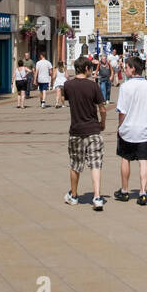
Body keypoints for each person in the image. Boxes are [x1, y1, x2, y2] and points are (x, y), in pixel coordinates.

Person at [62, 55, 107, 210]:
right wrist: (103, 122)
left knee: (75, 164)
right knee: (95, 164)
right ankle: (97, 197)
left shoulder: (68, 85)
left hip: (76, 130)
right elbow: (102, 107)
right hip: (93, 129)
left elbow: (63, 100)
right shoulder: (93, 86)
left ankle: (74, 196)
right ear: (87, 68)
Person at [114, 56, 147, 206]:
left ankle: (125, 190)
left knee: (125, 158)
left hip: (128, 128)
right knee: (143, 160)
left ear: (133, 68)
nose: (125, 70)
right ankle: (143, 191)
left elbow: (122, 111)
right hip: (143, 128)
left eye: (126, 67)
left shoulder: (125, 87)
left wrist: (120, 126)